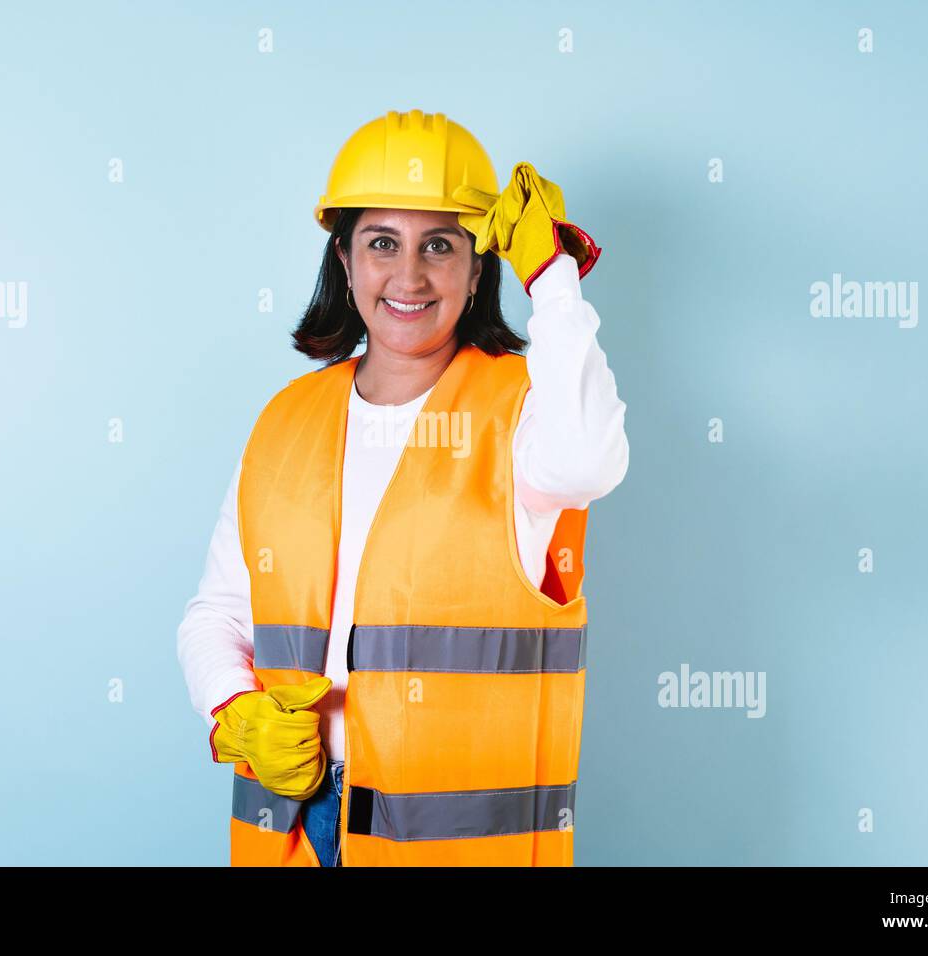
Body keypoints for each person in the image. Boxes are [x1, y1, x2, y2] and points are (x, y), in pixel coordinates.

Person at [177, 109, 629, 866]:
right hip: (297, 821)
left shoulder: (521, 410)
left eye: (441, 246)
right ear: (345, 261)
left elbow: (589, 462)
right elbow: (216, 612)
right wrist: (233, 707)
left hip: (451, 848)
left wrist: (551, 277)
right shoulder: (287, 420)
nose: (410, 276)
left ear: (479, 268)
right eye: (382, 242)